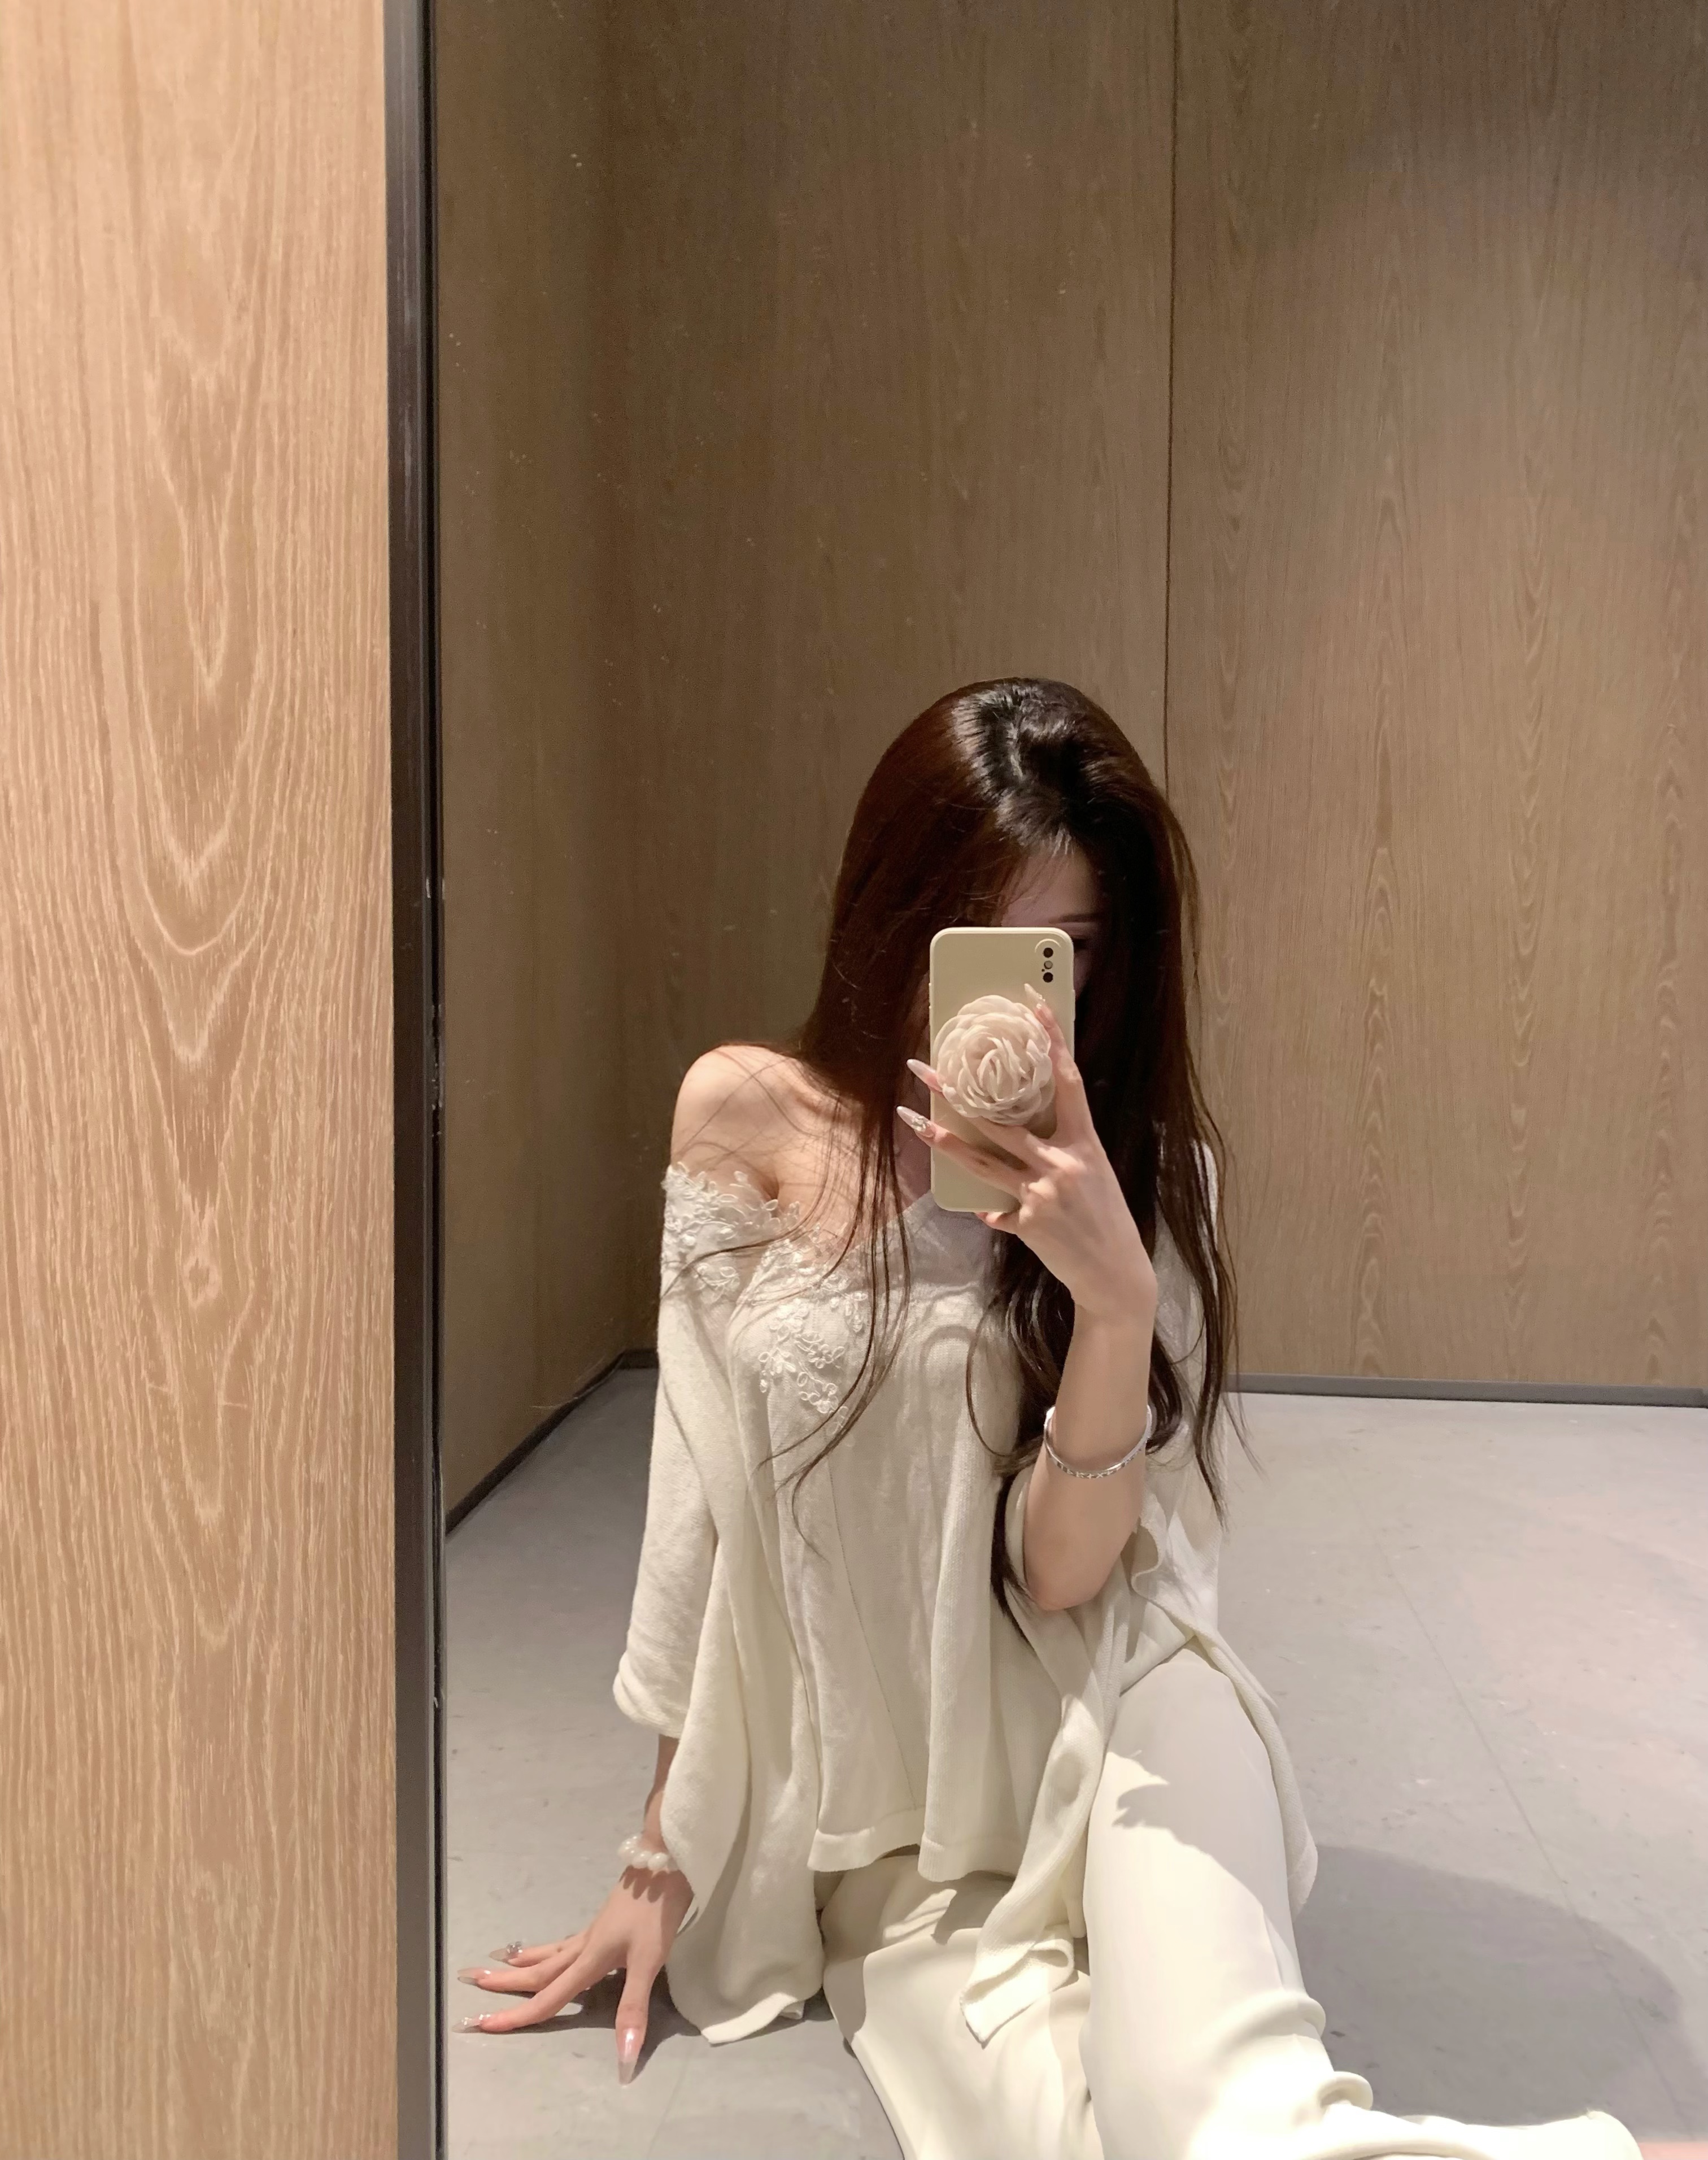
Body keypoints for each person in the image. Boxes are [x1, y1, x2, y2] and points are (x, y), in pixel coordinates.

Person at [455, 678, 1652, 2160]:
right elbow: (699, 1509)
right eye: (975, 937)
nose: (1012, 1007)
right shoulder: (747, 1118)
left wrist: (1112, 1299)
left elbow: (1073, 1574)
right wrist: (661, 1850)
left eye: (1066, 953)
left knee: (1219, 2122)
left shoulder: (1141, 1183)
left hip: (1138, 1715)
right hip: (907, 1849)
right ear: (889, 917)